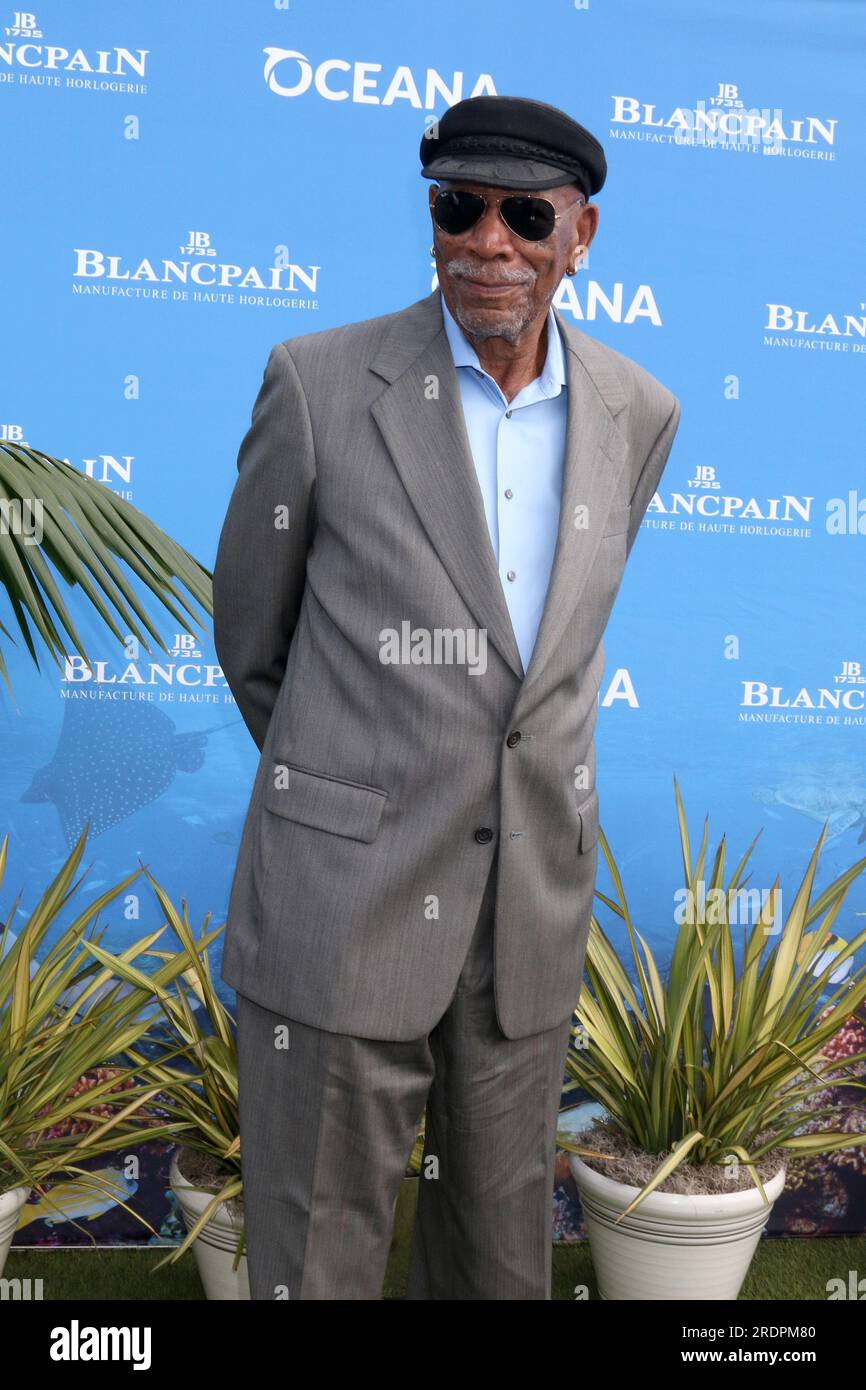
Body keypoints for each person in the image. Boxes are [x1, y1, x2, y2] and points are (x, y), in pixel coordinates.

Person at [212, 94, 681, 1300]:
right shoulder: (317, 384)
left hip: (521, 914)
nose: (489, 242)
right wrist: (356, 782)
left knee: (497, 1263)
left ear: (581, 235)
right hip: (343, 901)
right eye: (456, 209)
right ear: (429, 220)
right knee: (313, 1259)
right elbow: (252, 638)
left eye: (525, 215)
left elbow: (543, 668)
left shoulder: (637, 412)